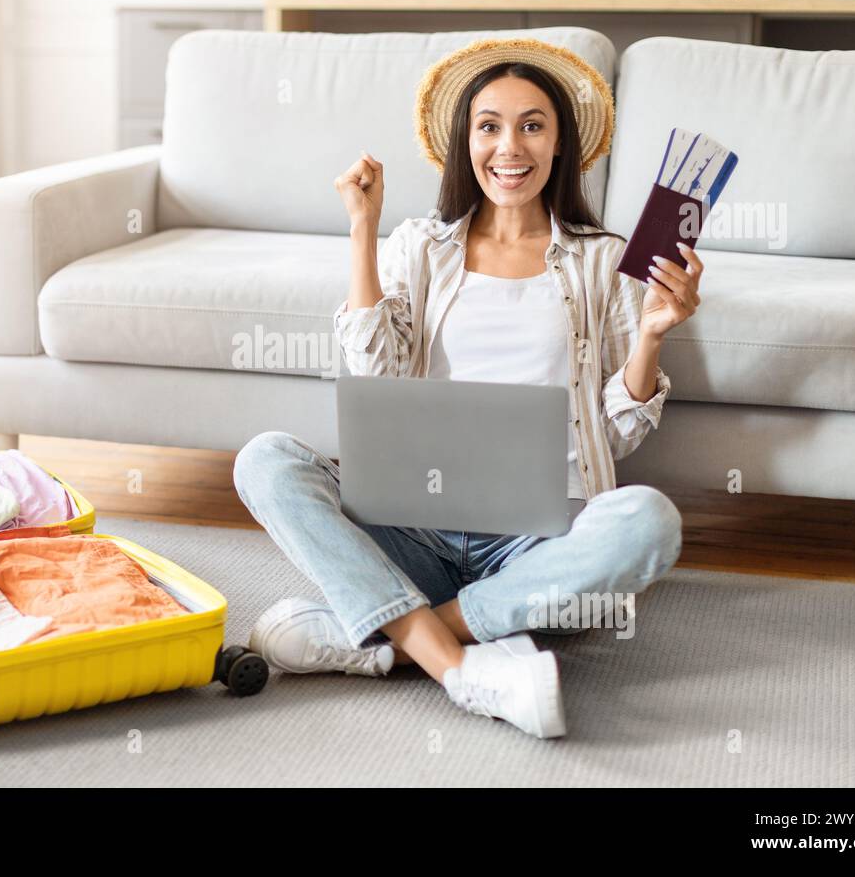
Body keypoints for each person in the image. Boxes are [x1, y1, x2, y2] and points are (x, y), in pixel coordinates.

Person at [233, 38, 701, 738]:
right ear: (465, 142)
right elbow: (376, 376)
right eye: (490, 125)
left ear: (559, 145)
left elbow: (617, 432)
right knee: (265, 458)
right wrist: (363, 230)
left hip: (539, 536)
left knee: (649, 522)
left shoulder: (604, 261)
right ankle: (461, 663)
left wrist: (653, 335)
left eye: (532, 125)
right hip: (416, 523)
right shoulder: (421, 246)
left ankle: (394, 637)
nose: (509, 146)